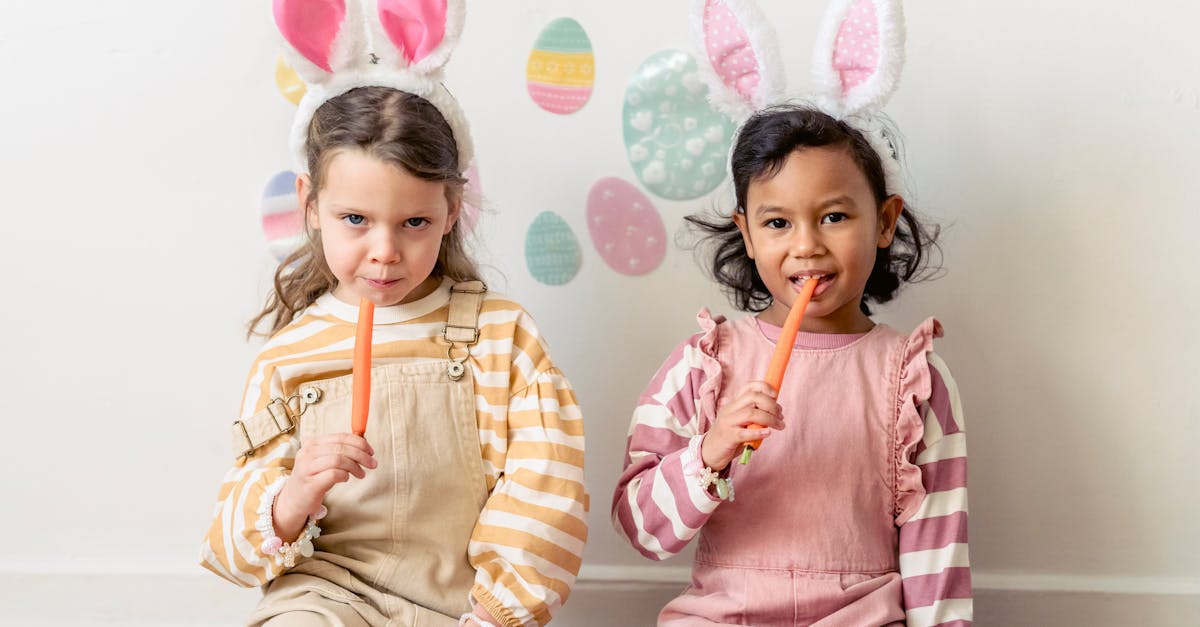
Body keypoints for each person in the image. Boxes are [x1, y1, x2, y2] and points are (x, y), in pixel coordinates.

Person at [200, 4, 585, 626]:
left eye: (414, 223)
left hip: (464, 605)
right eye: (355, 219)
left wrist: (496, 615)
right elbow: (231, 550)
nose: (384, 251)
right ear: (310, 203)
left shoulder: (501, 338)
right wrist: (293, 494)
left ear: (452, 208)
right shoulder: (288, 356)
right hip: (324, 597)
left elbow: (547, 497)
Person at [613, 2, 970, 623]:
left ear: (883, 222)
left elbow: (939, 558)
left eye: (834, 216)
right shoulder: (704, 364)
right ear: (747, 234)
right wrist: (710, 451)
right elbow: (641, 531)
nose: (806, 245)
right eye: (777, 223)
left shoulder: (914, 377)